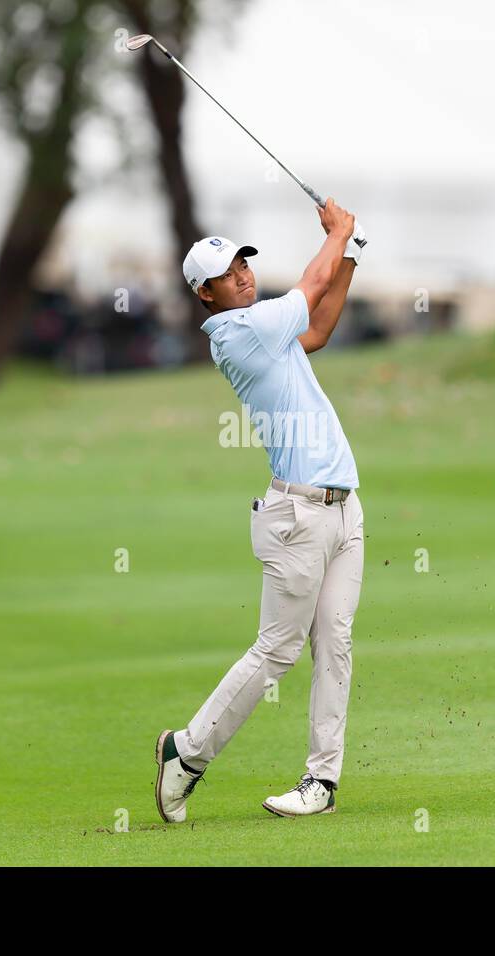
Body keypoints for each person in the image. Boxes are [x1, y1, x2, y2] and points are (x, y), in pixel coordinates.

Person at [155, 199, 367, 819]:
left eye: (244, 264)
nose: (243, 275)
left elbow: (320, 328)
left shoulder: (268, 330)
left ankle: (321, 783)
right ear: (206, 294)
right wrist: (339, 233)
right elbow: (311, 286)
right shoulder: (240, 332)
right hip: (297, 517)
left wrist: (347, 254)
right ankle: (187, 752)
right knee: (277, 650)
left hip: (343, 509)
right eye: (228, 273)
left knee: (336, 643)